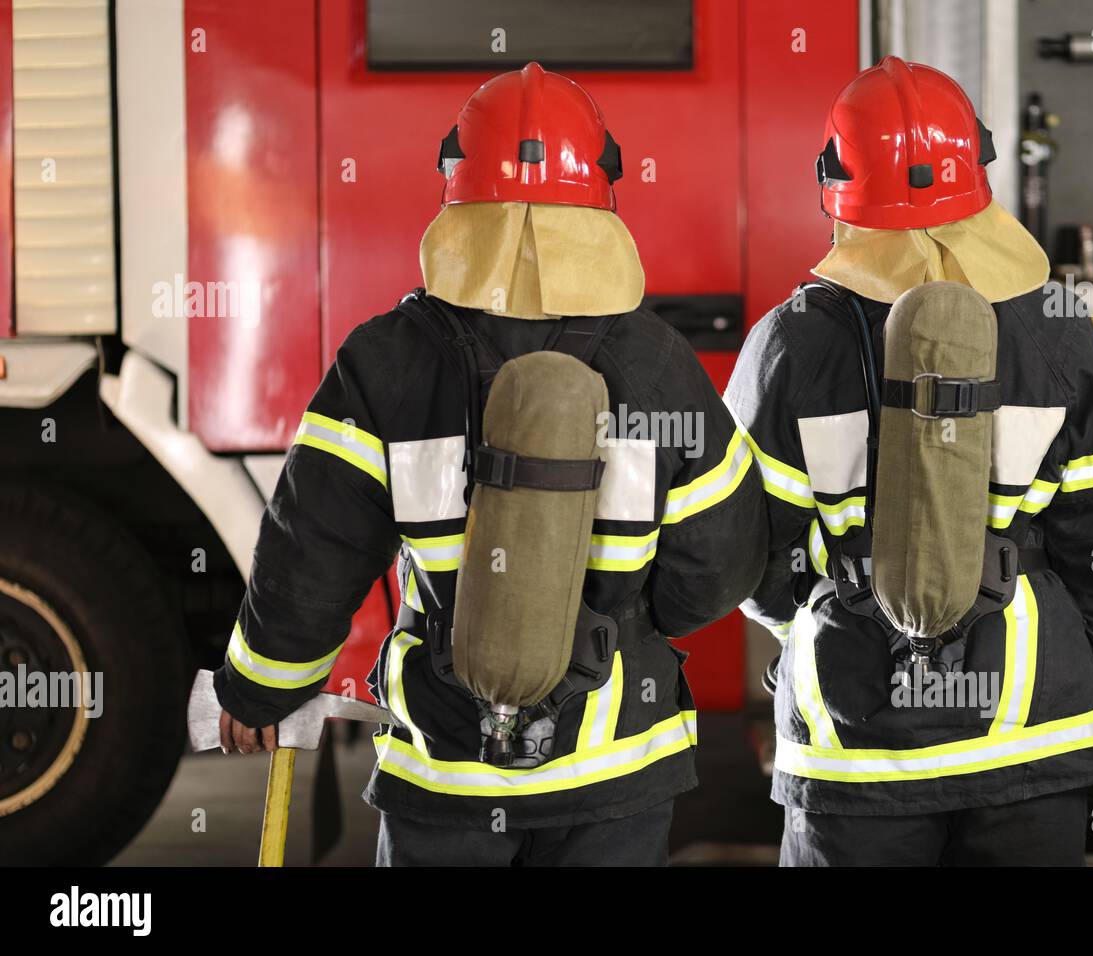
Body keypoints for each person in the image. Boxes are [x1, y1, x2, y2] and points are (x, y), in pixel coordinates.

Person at [214, 62, 765, 866]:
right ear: (602, 190)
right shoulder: (655, 360)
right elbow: (722, 562)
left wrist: (259, 688)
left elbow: (312, 553)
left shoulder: (385, 361)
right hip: (614, 773)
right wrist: (632, 627)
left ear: (457, 192)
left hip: (447, 774)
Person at [725, 56, 1093, 866]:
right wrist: (1077, 650)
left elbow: (745, 551)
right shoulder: (1054, 327)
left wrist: (822, 618)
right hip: (1032, 737)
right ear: (978, 172)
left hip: (857, 752)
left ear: (835, 185)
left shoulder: (788, 344)